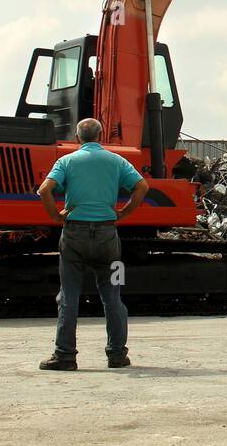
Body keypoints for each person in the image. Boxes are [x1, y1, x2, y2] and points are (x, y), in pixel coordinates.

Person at [36, 117, 149, 371]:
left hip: (73, 236)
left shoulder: (66, 161)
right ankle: (117, 355)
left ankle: (65, 356)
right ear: (100, 136)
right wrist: (123, 213)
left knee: (69, 297)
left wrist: (56, 216)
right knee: (113, 297)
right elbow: (142, 186)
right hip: (108, 238)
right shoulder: (117, 161)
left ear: (78, 138)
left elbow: (45, 190)